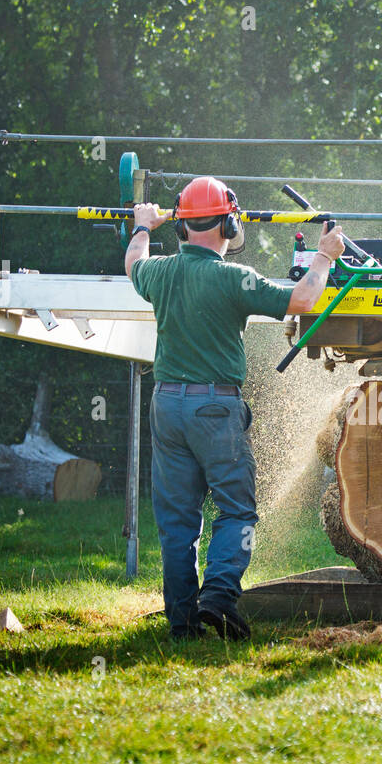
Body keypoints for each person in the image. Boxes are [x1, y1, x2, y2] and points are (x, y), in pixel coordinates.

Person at [126, 177, 346, 640]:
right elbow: (304, 298)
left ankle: (183, 624)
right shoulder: (231, 277)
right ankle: (220, 597)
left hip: (165, 406)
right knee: (238, 510)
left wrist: (142, 226)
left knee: (177, 522)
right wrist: (325, 254)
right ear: (230, 224)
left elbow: (133, 265)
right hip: (215, 408)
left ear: (182, 228)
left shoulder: (159, 271)